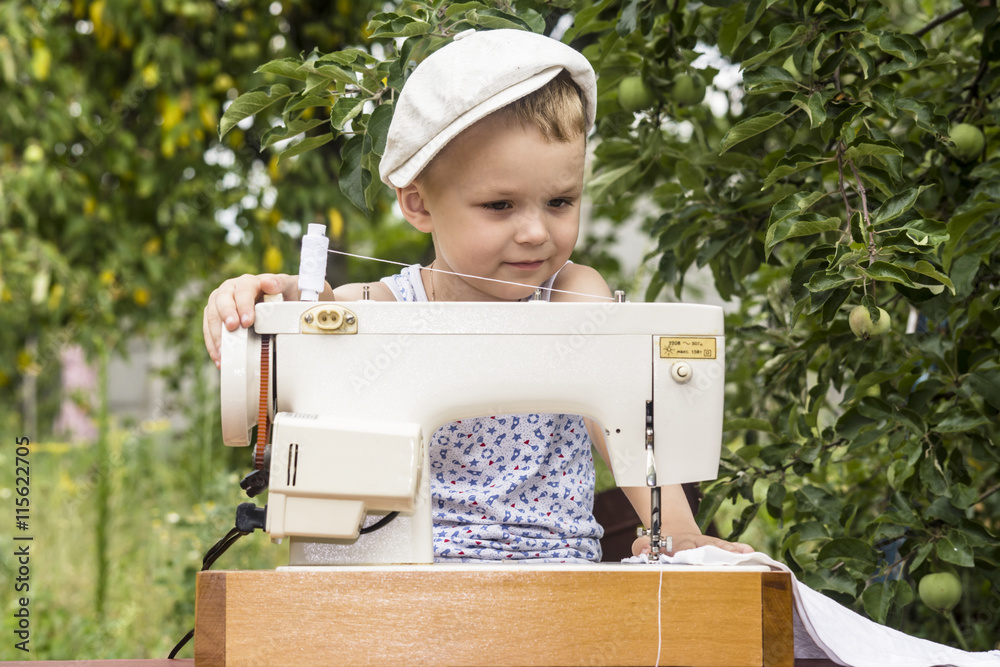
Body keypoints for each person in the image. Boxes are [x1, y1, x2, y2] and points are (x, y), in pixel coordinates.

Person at [203, 28, 752, 562]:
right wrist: (255, 304)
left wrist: (675, 529)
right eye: (499, 206)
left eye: (560, 202)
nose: (537, 232)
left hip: (559, 587)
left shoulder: (572, 299)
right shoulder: (377, 309)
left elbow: (630, 414)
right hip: (403, 594)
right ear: (418, 204)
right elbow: (303, 325)